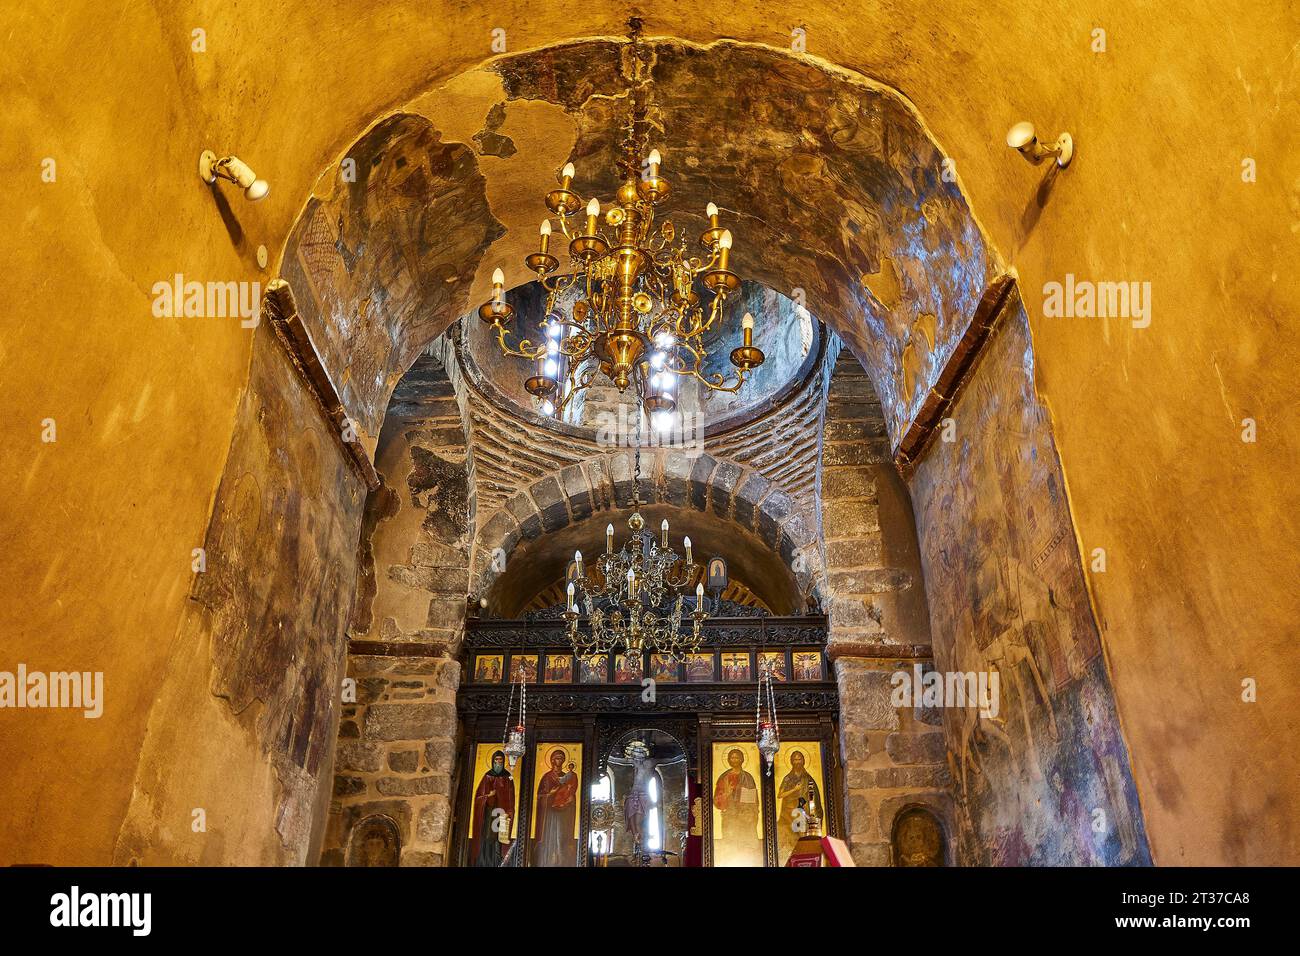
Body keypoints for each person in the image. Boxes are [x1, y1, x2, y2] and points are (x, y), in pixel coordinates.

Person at [713, 748, 760, 864]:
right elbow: (716, 802)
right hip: (730, 818)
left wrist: (751, 813)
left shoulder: (748, 777)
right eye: (732, 757)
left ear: (742, 759)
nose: (735, 760)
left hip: (746, 818)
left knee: (747, 846)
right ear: (728, 760)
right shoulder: (724, 777)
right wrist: (726, 794)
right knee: (731, 844)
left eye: (737, 757)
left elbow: (755, 800)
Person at [533, 748, 579, 866]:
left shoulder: (567, 776)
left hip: (563, 814)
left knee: (561, 836)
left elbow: (571, 792)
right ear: (553, 760)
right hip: (549, 815)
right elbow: (539, 796)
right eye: (558, 758)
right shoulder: (547, 777)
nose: (560, 761)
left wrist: (570, 800)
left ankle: (561, 862)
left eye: (562, 758)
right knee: (550, 837)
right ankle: (547, 861)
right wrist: (550, 794)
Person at [469, 750, 514, 867]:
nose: (498, 762)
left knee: (500, 838)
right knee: (489, 837)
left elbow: (511, 797)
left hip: (502, 813)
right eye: (496, 760)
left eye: (500, 760)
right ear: (492, 761)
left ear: (503, 761)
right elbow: (478, 797)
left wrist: (510, 811)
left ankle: (498, 862)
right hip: (489, 814)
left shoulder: (508, 777)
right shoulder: (487, 776)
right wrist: (488, 796)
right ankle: (487, 862)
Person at [776, 750, 822, 861]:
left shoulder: (808, 779)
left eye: (799, 759)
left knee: (804, 839)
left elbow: (814, 799)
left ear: (803, 761)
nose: (797, 762)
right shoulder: (788, 778)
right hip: (788, 813)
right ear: (791, 761)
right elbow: (780, 795)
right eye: (795, 759)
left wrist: (812, 813)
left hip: (804, 813)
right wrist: (794, 789)